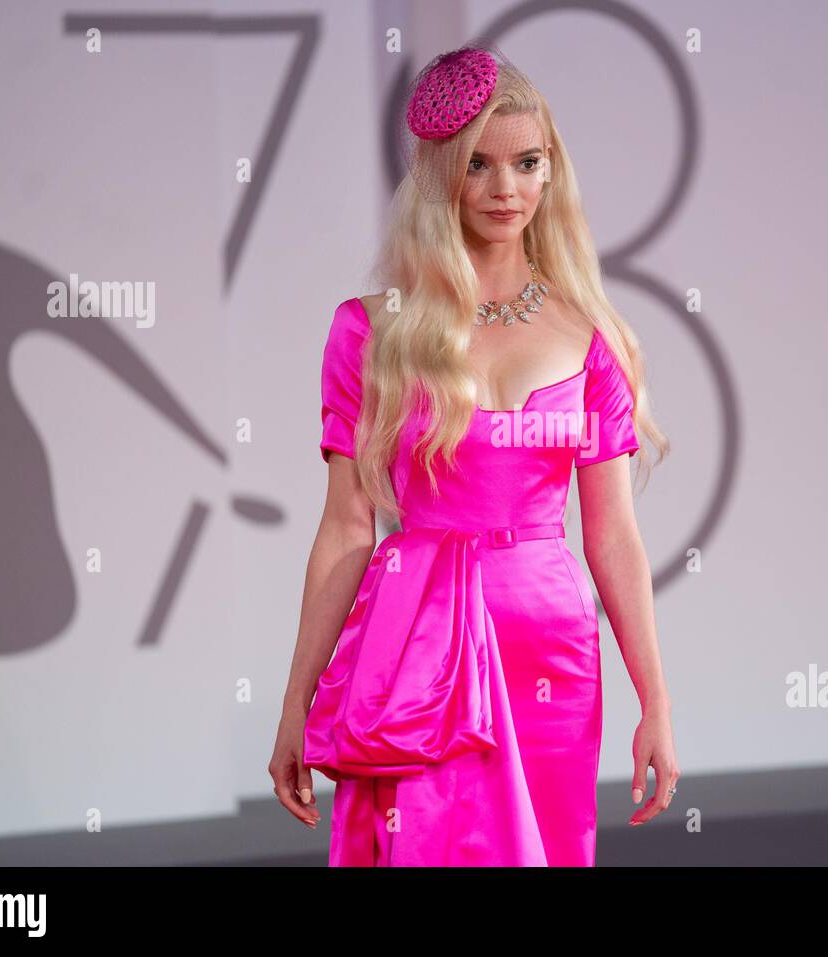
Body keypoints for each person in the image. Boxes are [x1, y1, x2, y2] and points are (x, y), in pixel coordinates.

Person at [269, 42, 675, 866]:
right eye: (480, 165)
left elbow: (612, 534)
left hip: (550, 645)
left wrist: (656, 700)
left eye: (528, 162)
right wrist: (295, 702)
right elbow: (347, 529)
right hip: (414, 640)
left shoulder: (592, 336)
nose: (505, 189)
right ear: (440, 175)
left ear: (551, 170)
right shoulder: (370, 331)